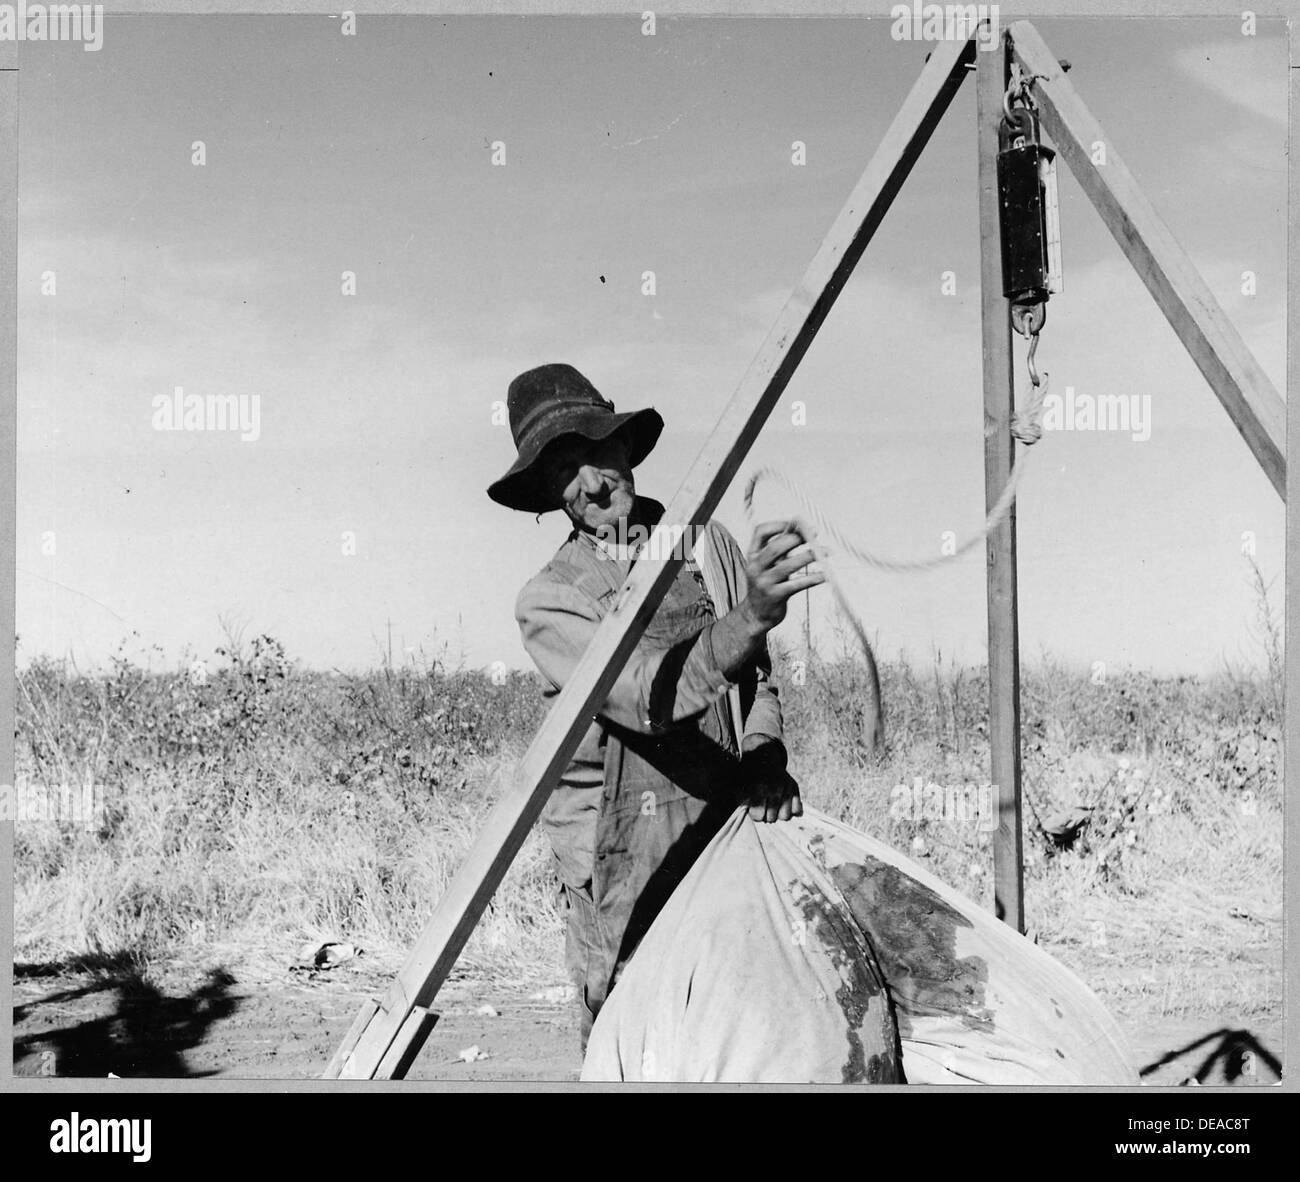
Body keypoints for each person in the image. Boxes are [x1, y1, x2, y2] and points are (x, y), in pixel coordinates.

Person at [487, 362, 822, 1050]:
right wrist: (750, 616)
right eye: (562, 473)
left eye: (593, 454)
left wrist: (764, 757)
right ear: (549, 494)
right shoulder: (550, 599)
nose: (589, 484)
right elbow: (644, 698)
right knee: (635, 1046)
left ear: (623, 448)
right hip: (618, 867)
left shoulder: (704, 544)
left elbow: (755, 676)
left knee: (740, 1036)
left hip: (722, 838)